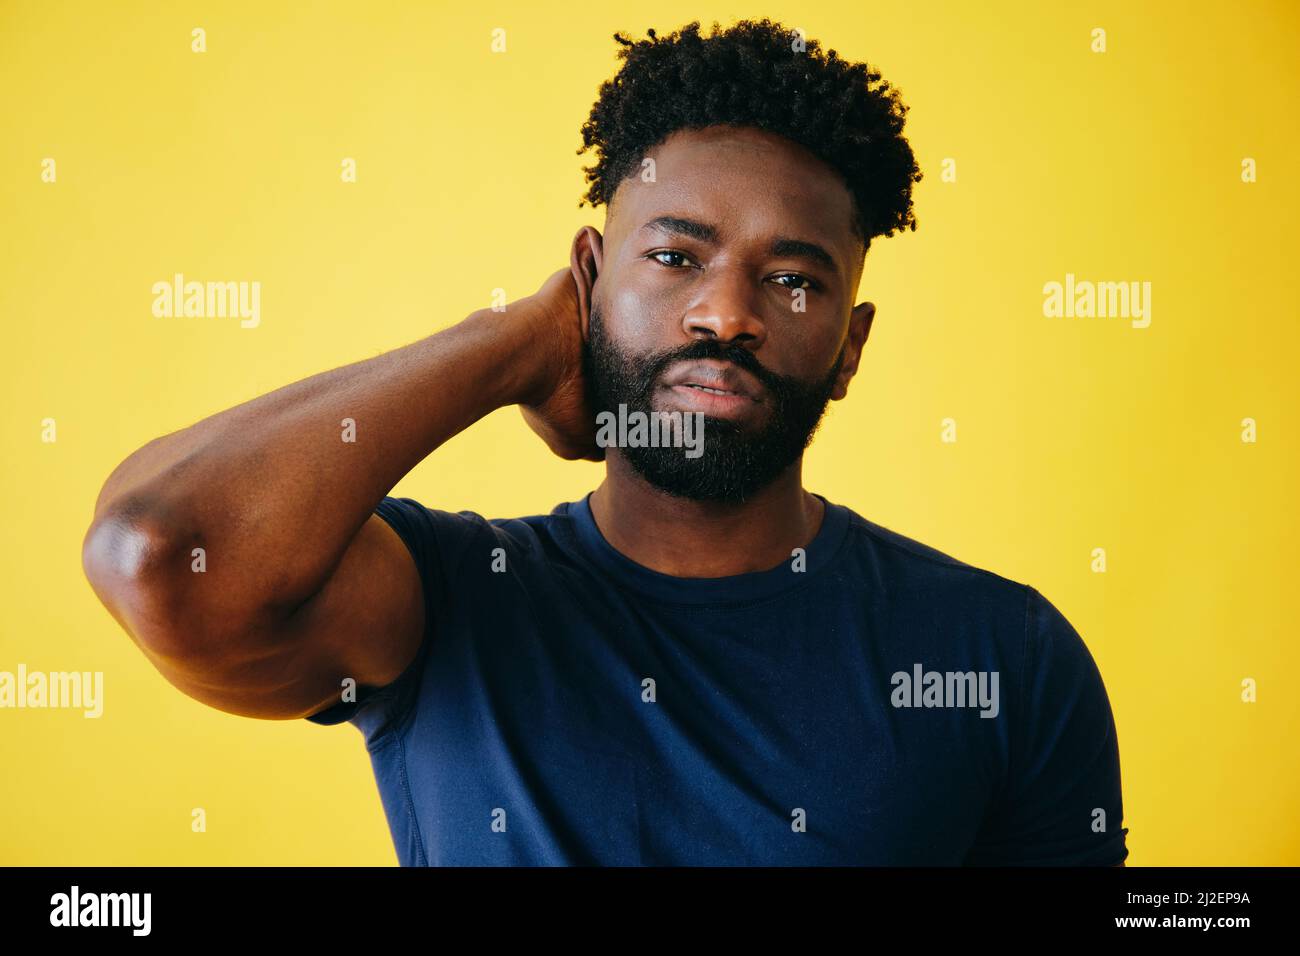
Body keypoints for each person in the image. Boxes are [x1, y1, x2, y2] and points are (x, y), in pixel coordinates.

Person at [82, 18, 1128, 865]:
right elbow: (157, 551)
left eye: (793, 278)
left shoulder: (1001, 654)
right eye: (675, 255)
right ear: (588, 274)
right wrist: (512, 346)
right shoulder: (445, 603)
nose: (726, 314)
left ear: (849, 346)